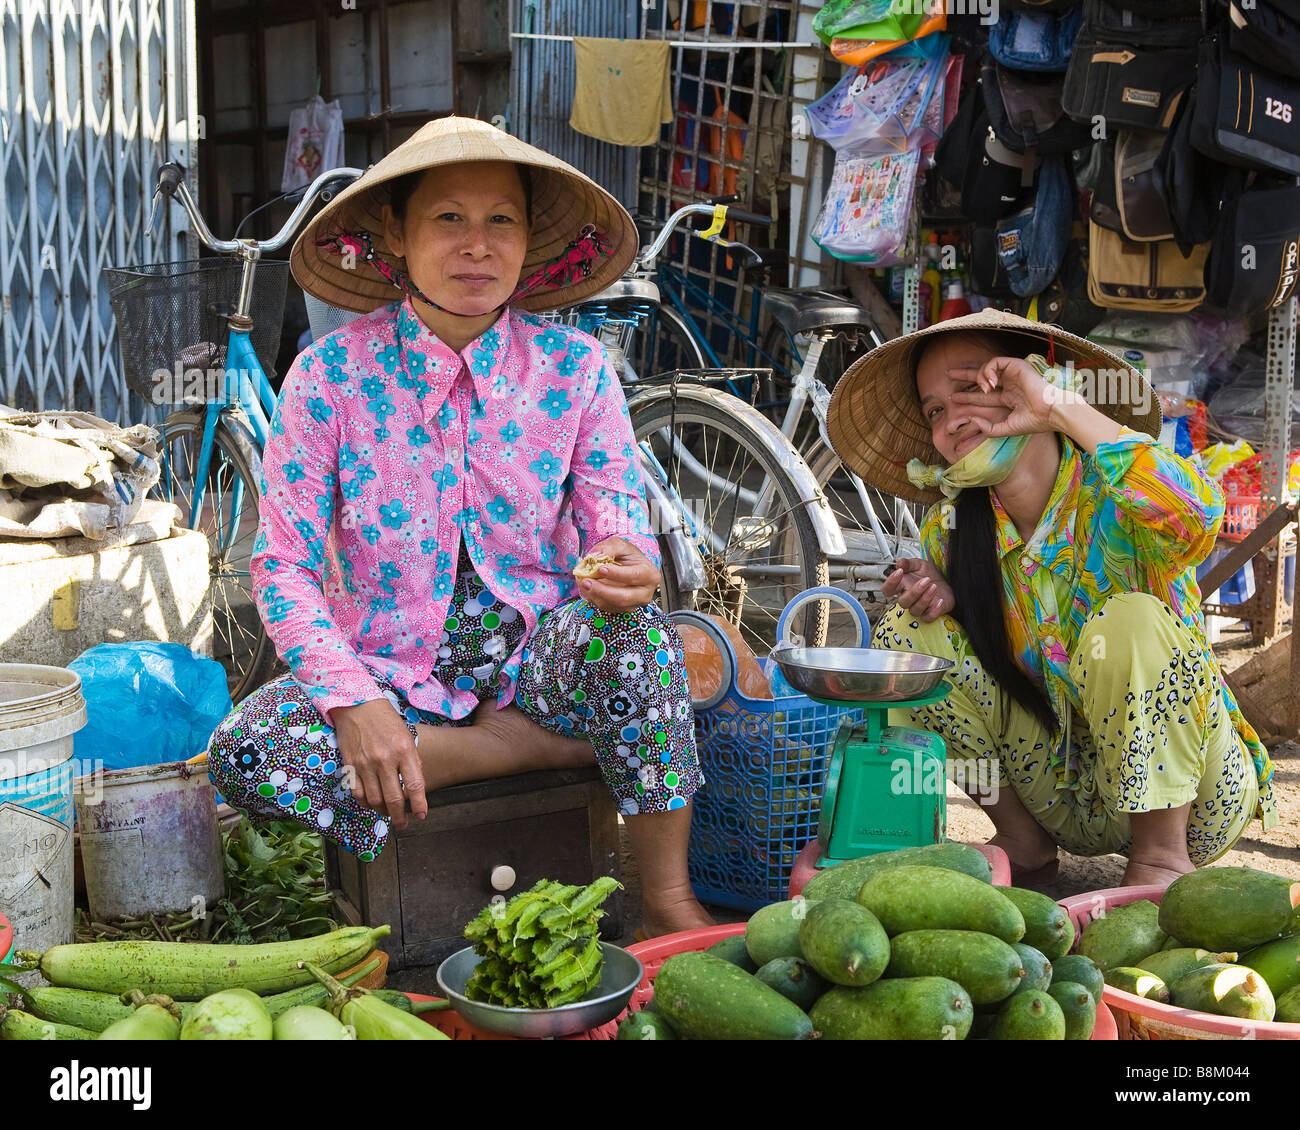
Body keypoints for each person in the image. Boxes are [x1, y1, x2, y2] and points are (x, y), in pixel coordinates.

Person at [207, 116, 715, 939]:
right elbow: (283, 567)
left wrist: (627, 561)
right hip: (389, 672)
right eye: (449, 218)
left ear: (527, 244)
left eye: (500, 221)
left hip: (540, 664)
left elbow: (617, 518)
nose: (477, 245)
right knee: (248, 750)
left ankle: (661, 897)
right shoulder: (329, 376)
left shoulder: (575, 370)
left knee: (639, 642)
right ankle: (536, 748)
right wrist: (354, 701)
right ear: (397, 238)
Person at [825, 309, 1278, 889]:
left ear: (1030, 380)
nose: (951, 418)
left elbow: (1198, 514)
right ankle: (1022, 839)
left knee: (1130, 621)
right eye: (934, 409)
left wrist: (1058, 404)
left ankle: (1160, 858)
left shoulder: (1117, 493)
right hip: (1061, 796)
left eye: (970, 387)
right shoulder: (953, 530)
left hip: (1198, 800)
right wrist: (947, 597)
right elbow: (974, 664)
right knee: (906, 638)